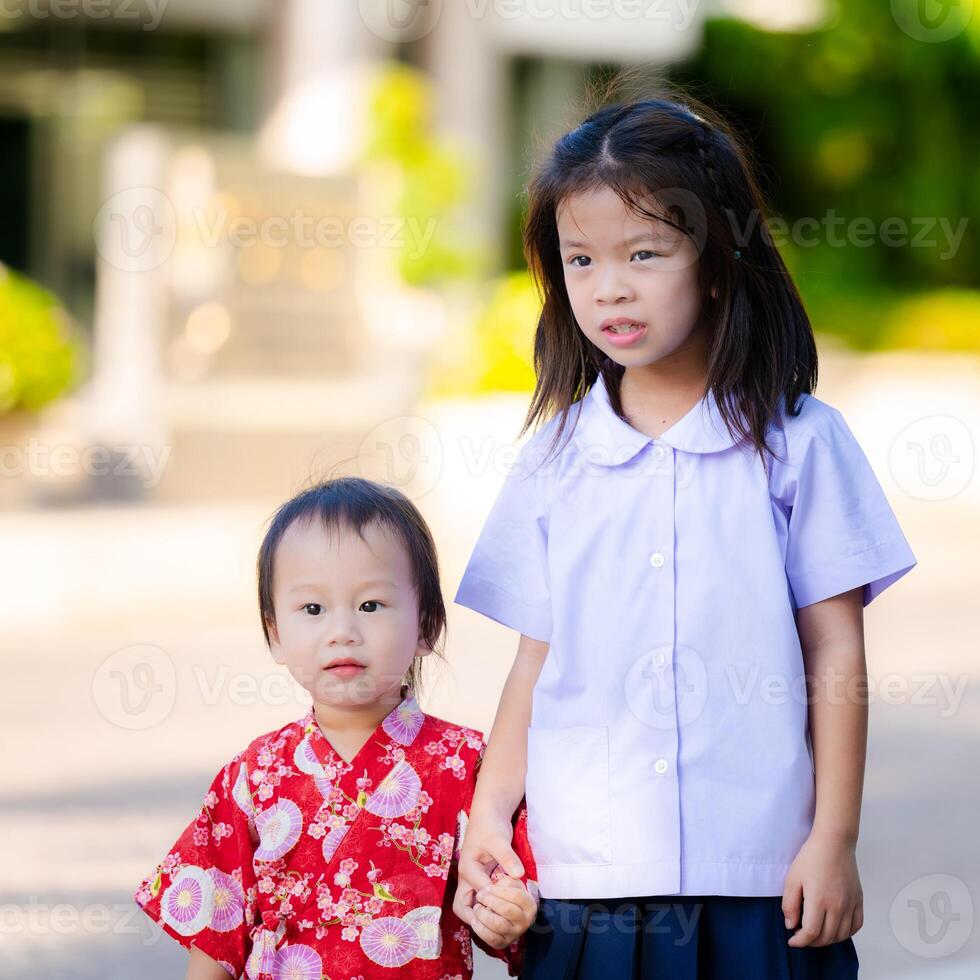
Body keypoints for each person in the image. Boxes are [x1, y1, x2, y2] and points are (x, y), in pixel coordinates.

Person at [451, 91, 917, 978]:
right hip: (587, 884)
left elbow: (836, 649)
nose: (609, 287)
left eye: (644, 253)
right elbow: (534, 662)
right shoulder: (553, 459)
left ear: (716, 262)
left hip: (763, 878)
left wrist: (834, 838)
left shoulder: (801, 445)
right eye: (580, 259)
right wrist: (488, 816)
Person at [134, 478, 539, 979]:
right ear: (275, 634)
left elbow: (506, 897)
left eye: (370, 606)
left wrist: (506, 917)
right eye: (313, 609)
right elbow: (216, 941)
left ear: (427, 626)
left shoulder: (471, 766)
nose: (342, 631)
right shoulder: (254, 774)